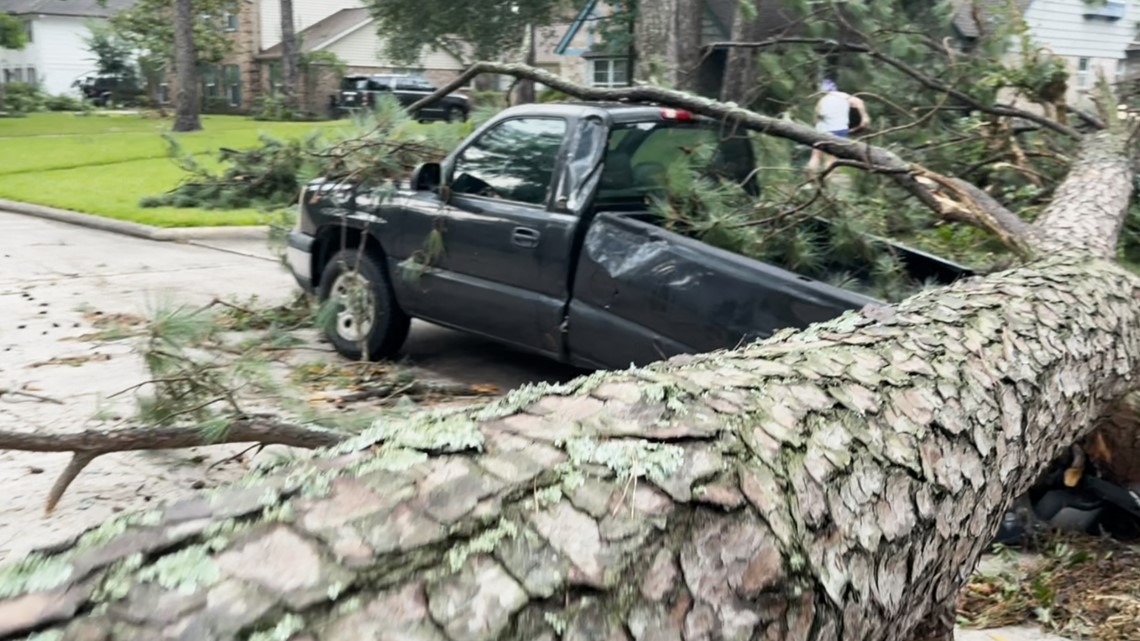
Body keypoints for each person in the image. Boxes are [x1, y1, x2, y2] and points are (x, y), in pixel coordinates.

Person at [806, 79, 870, 176]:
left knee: (816, 156)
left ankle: (810, 179)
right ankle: (826, 180)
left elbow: (816, 118)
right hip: (839, 129)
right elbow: (859, 102)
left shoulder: (821, 101)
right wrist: (864, 116)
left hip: (821, 130)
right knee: (832, 157)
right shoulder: (842, 95)